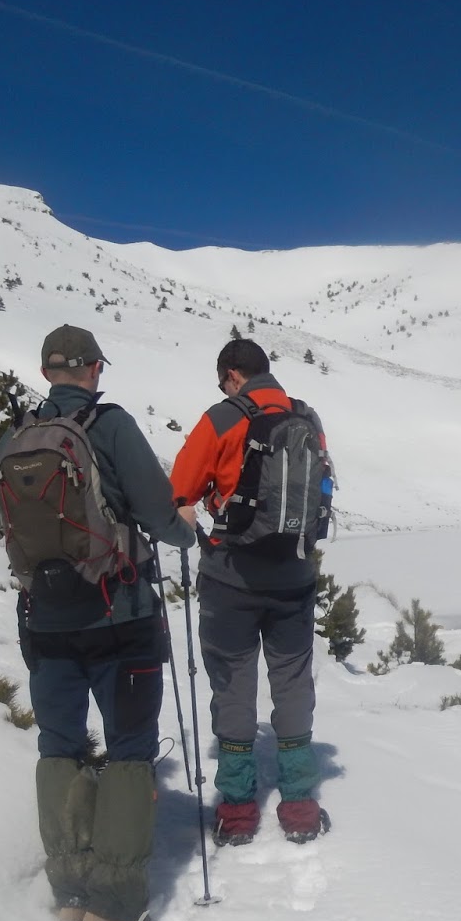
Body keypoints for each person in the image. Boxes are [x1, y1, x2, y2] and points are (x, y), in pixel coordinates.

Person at [0, 324, 195, 921]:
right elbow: (160, 515)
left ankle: (70, 893)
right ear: (91, 369)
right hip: (120, 617)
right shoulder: (109, 426)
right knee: (131, 750)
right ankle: (114, 908)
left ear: (48, 370)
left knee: (59, 746)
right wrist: (187, 531)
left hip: (45, 620)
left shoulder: (15, 438)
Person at [171, 339, 328, 846]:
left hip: (231, 577)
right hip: (295, 575)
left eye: (223, 380)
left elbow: (180, 489)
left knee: (234, 685)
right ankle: (300, 803)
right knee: (292, 681)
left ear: (233, 375)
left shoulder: (223, 418)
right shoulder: (308, 418)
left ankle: (238, 810)